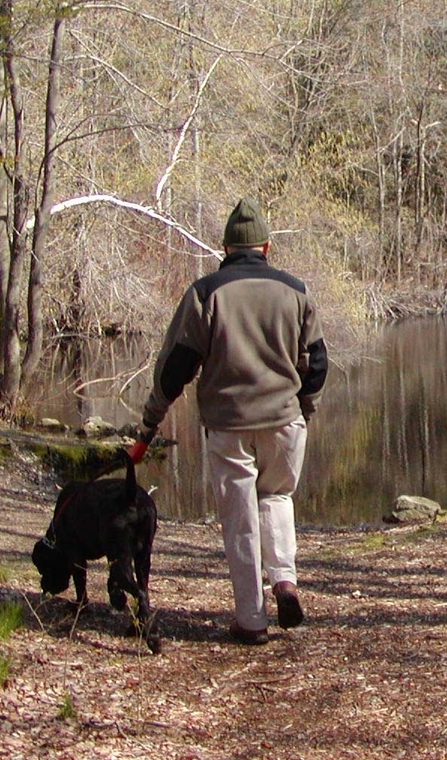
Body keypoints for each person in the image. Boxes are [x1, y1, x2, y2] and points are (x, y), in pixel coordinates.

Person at [135, 198, 328, 645]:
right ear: (267, 246)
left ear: (224, 247)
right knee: (277, 496)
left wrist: (150, 423)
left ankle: (251, 619)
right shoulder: (295, 291)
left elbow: (175, 368)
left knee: (240, 516)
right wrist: (306, 408)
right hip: (284, 418)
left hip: (228, 424)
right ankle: (284, 580)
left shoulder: (206, 293)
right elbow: (316, 363)